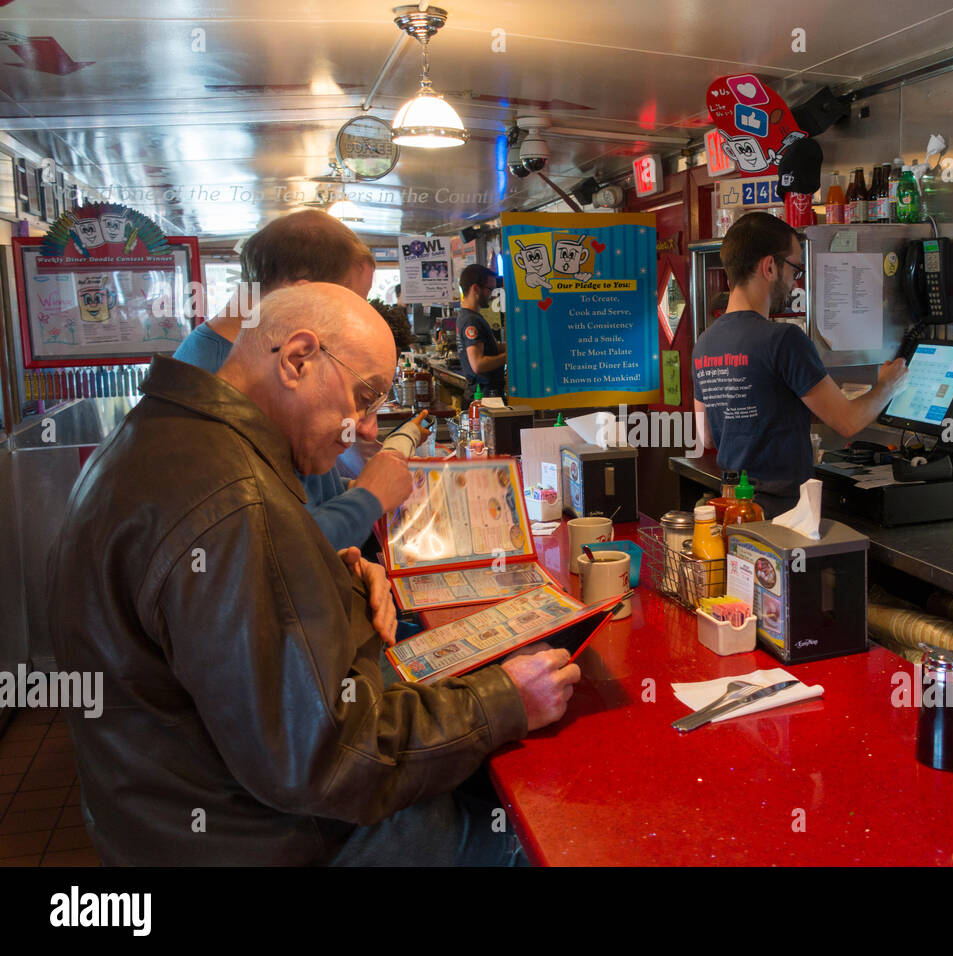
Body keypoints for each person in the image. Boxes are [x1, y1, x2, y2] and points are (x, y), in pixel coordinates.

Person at [48, 284, 581, 865]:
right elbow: (329, 758)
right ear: (298, 360)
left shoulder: (160, 439)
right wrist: (503, 698)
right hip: (277, 841)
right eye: (365, 396)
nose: (370, 429)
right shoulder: (237, 500)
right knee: (546, 836)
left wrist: (327, 575)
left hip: (171, 822)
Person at [172, 208, 410, 550]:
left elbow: (299, 494)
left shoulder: (246, 356)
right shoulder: (221, 377)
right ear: (304, 294)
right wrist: (368, 498)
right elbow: (267, 548)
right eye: (350, 303)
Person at [691, 212, 910, 516]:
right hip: (784, 517)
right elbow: (848, 422)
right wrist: (889, 384)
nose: (795, 281)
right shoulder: (783, 339)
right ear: (769, 267)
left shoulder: (704, 343)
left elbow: (707, 436)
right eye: (794, 268)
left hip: (735, 512)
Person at [455, 263, 507, 404]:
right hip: (486, 396)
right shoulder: (471, 321)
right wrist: (509, 357)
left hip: (485, 394)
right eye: (489, 289)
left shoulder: (468, 316)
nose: (492, 295)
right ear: (476, 288)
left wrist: (515, 346)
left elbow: (493, 347)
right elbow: (478, 364)